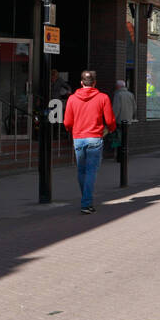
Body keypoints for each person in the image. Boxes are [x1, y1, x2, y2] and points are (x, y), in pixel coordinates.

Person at [63, 70, 116, 214]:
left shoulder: (72, 99)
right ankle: (86, 203)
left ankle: (86, 200)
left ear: (81, 82)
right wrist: (111, 129)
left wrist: (71, 129)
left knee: (81, 170)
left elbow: (67, 121)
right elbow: (110, 120)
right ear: (94, 83)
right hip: (94, 136)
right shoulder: (102, 98)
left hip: (78, 137)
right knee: (91, 171)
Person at [110, 80, 136, 161]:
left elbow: (116, 108)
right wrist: (131, 117)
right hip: (128, 120)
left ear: (118, 86)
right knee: (125, 138)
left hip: (119, 120)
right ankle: (125, 156)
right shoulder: (130, 94)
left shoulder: (118, 94)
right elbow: (135, 107)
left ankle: (120, 157)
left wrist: (112, 119)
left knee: (118, 139)